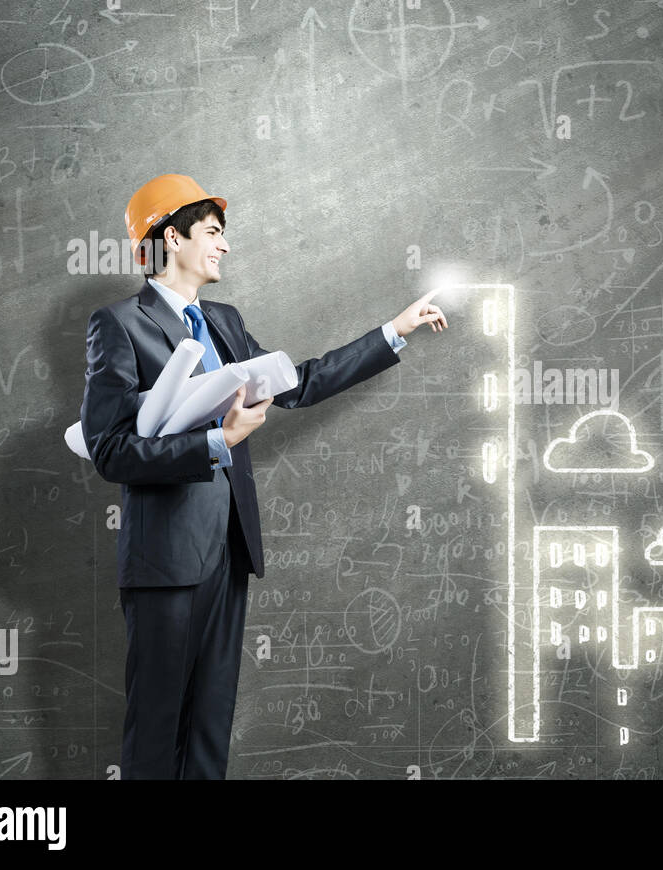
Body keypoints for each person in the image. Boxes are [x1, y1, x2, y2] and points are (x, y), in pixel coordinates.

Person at [79, 173, 448, 779]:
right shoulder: (120, 324)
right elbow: (111, 451)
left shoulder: (223, 320)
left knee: (209, 727)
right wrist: (215, 442)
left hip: (229, 550)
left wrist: (393, 331)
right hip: (164, 558)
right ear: (172, 238)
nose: (224, 245)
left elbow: (296, 384)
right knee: (155, 730)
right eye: (214, 232)